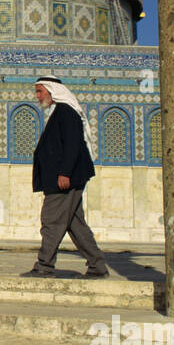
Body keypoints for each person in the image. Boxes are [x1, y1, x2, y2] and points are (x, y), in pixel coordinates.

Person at [23, 77, 109, 278]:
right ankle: (97, 266)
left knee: (51, 220)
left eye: (39, 91)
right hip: (66, 177)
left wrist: (65, 173)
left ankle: (44, 265)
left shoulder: (66, 113)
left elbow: (72, 145)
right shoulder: (60, 113)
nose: (37, 96)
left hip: (64, 179)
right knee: (75, 224)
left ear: (52, 91)